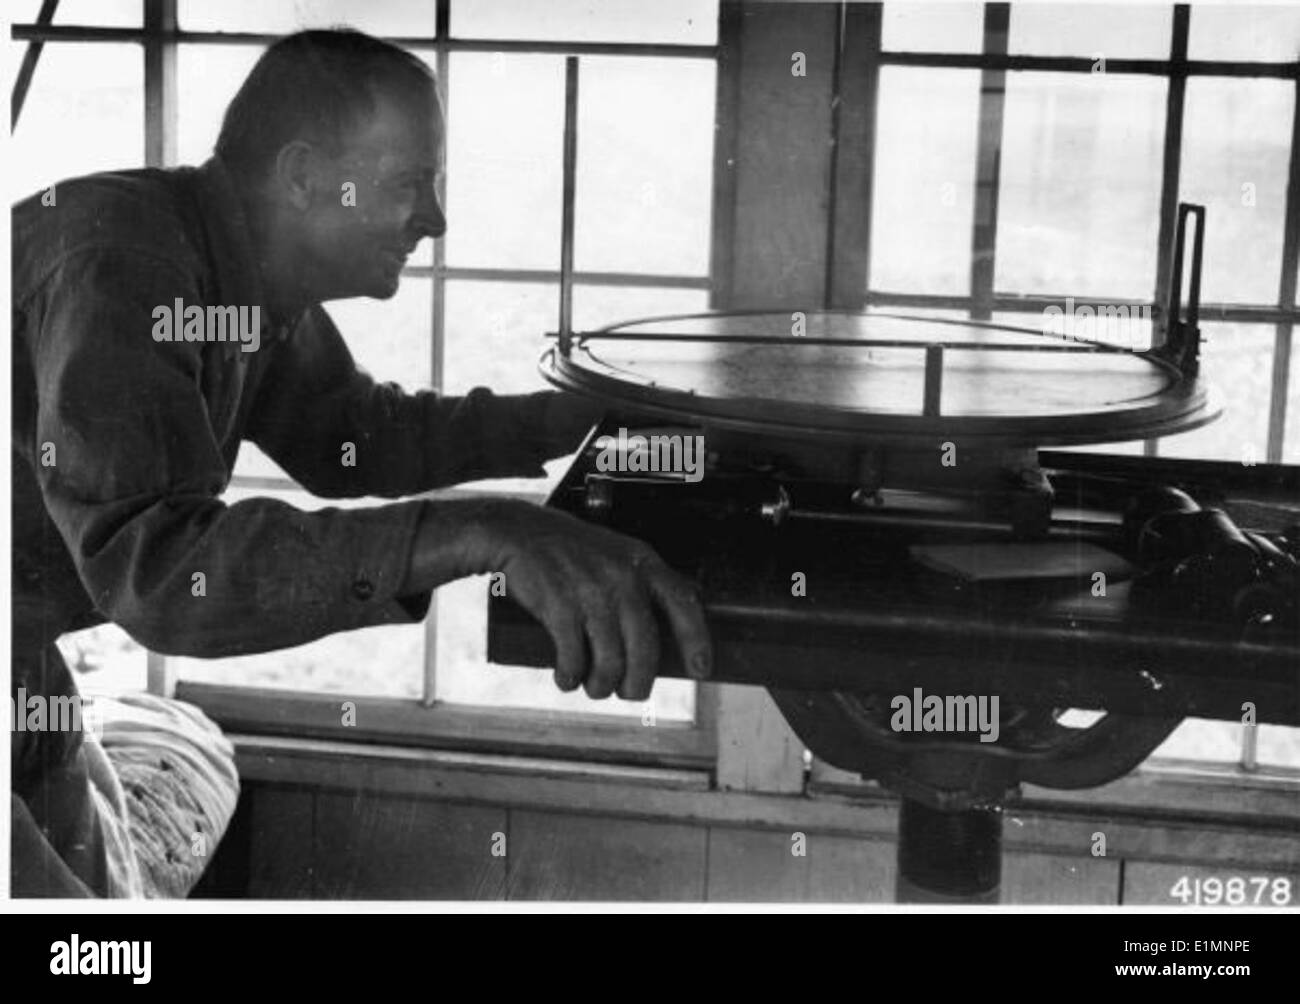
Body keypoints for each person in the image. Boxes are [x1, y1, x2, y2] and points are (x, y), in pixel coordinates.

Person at [11, 28, 712, 896]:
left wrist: (571, 421)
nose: (436, 220)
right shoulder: (127, 264)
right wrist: (486, 532)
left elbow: (351, 436)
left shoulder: (236, 273)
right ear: (304, 177)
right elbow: (162, 570)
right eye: (408, 185)